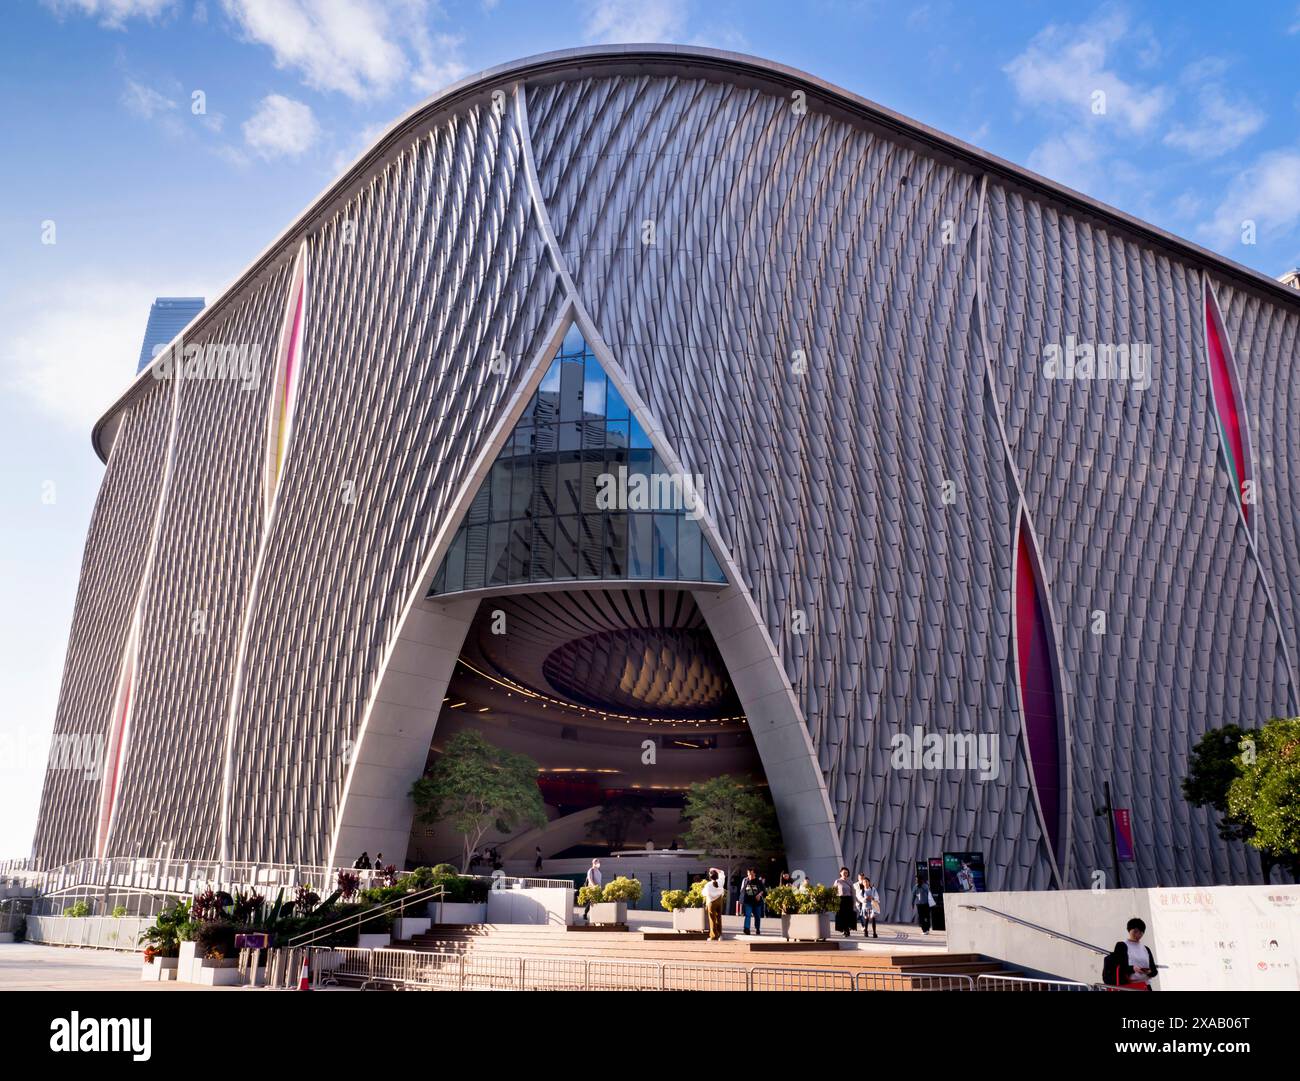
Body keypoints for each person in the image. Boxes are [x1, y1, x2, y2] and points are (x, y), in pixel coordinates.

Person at [1104, 918, 1158, 990]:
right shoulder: (1122, 945)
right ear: (1129, 930)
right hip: (1129, 986)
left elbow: (1154, 971)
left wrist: (1149, 972)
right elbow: (1118, 967)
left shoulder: (1146, 949)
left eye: (1141, 932)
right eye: (1135, 931)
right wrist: (1132, 968)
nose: (1138, 935)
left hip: (1145, 986)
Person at [702, 867, 727, 941]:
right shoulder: (720, 881)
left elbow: (704, 893)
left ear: (710, 877)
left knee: (712, 919)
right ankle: (720, 935)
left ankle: (713, 936)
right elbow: (722, 872)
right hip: (719, 901)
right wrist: (715, 869)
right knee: (719, 918)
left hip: (711, 902)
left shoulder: (708, 885)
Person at [739, 868, 766, 936]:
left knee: (757, 916)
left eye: (751, 874)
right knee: (748, 915)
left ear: (754, 874)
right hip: (748, 901)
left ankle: (757, 928)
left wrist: (759, 895)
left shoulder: (758, 881)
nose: (750, 875)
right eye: (748, 874)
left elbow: (763, 890)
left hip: (757, 902)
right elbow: (742, 890)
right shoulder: (745, 880)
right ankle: (746, 929)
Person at [856, 873, 881, 939]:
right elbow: (859, 898)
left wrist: (873, 898)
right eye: (864, 882)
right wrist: (865, 899)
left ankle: (874, 932)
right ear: (863, 883)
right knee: (866, 919)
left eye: (867, 881)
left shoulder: (873, 889)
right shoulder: (862, 891)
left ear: (869, 882)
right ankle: (866, 931)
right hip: (866, 906)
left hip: (873, 906)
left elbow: (877, 896)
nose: (865, 883)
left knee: (873, 918)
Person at [834, 867, 856, 937]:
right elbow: (833, 891)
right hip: (840, 900)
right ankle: (844, 929)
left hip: (848, 900)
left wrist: (854, 902)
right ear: (840, 873)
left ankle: (847, 930)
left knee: (847, 916)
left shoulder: (850, 881)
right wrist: (834, 901)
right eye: (843, 872)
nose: (845, 874)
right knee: (841, 916)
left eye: (846, 873)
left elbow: (853, 892)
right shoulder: (837, 881)